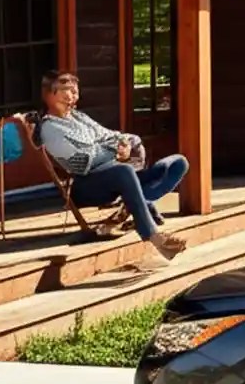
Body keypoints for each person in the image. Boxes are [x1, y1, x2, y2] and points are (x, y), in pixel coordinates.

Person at [31, 70, 189, 262]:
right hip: (86, 185)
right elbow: (81, 161)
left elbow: (110, 134)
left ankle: (132, 206)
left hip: (116, 176)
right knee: (124, 170)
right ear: (49, 94)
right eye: (67, 90)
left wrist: (125, 142)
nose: (73, 96)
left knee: (177, 163)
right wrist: (115, 149)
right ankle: (153, 235)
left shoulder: (79, 118)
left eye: (75, 91)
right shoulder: (50, 128)